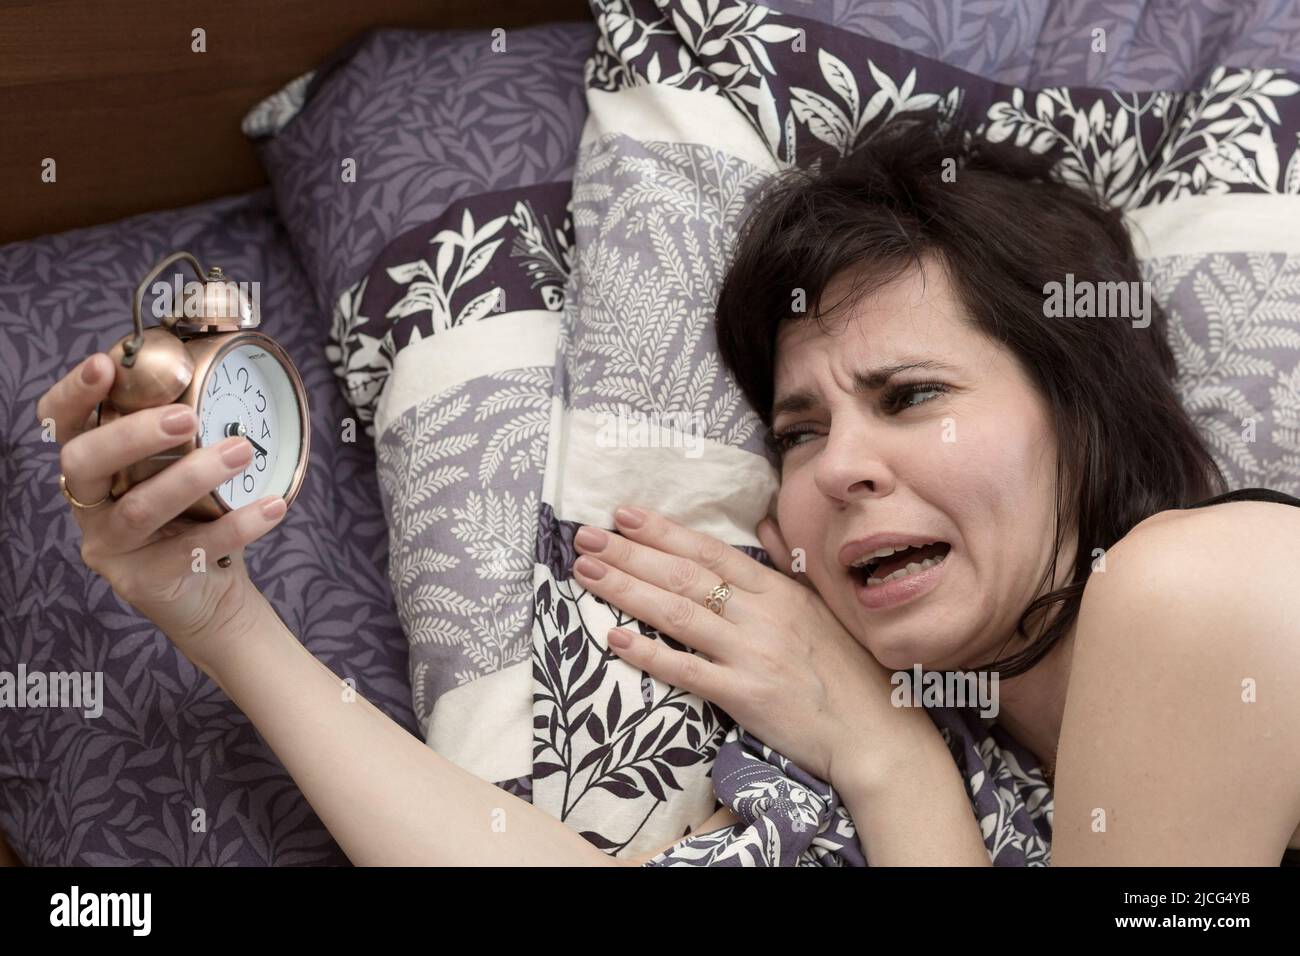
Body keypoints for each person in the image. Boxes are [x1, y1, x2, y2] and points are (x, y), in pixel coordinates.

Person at [40, 114, 1300, 866]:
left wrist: (891, 764)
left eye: (910, 394)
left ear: (1088, 413)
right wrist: (221, 620)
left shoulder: (1217, 580)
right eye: (798, 430)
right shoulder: (941, 773)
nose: (841, 465)